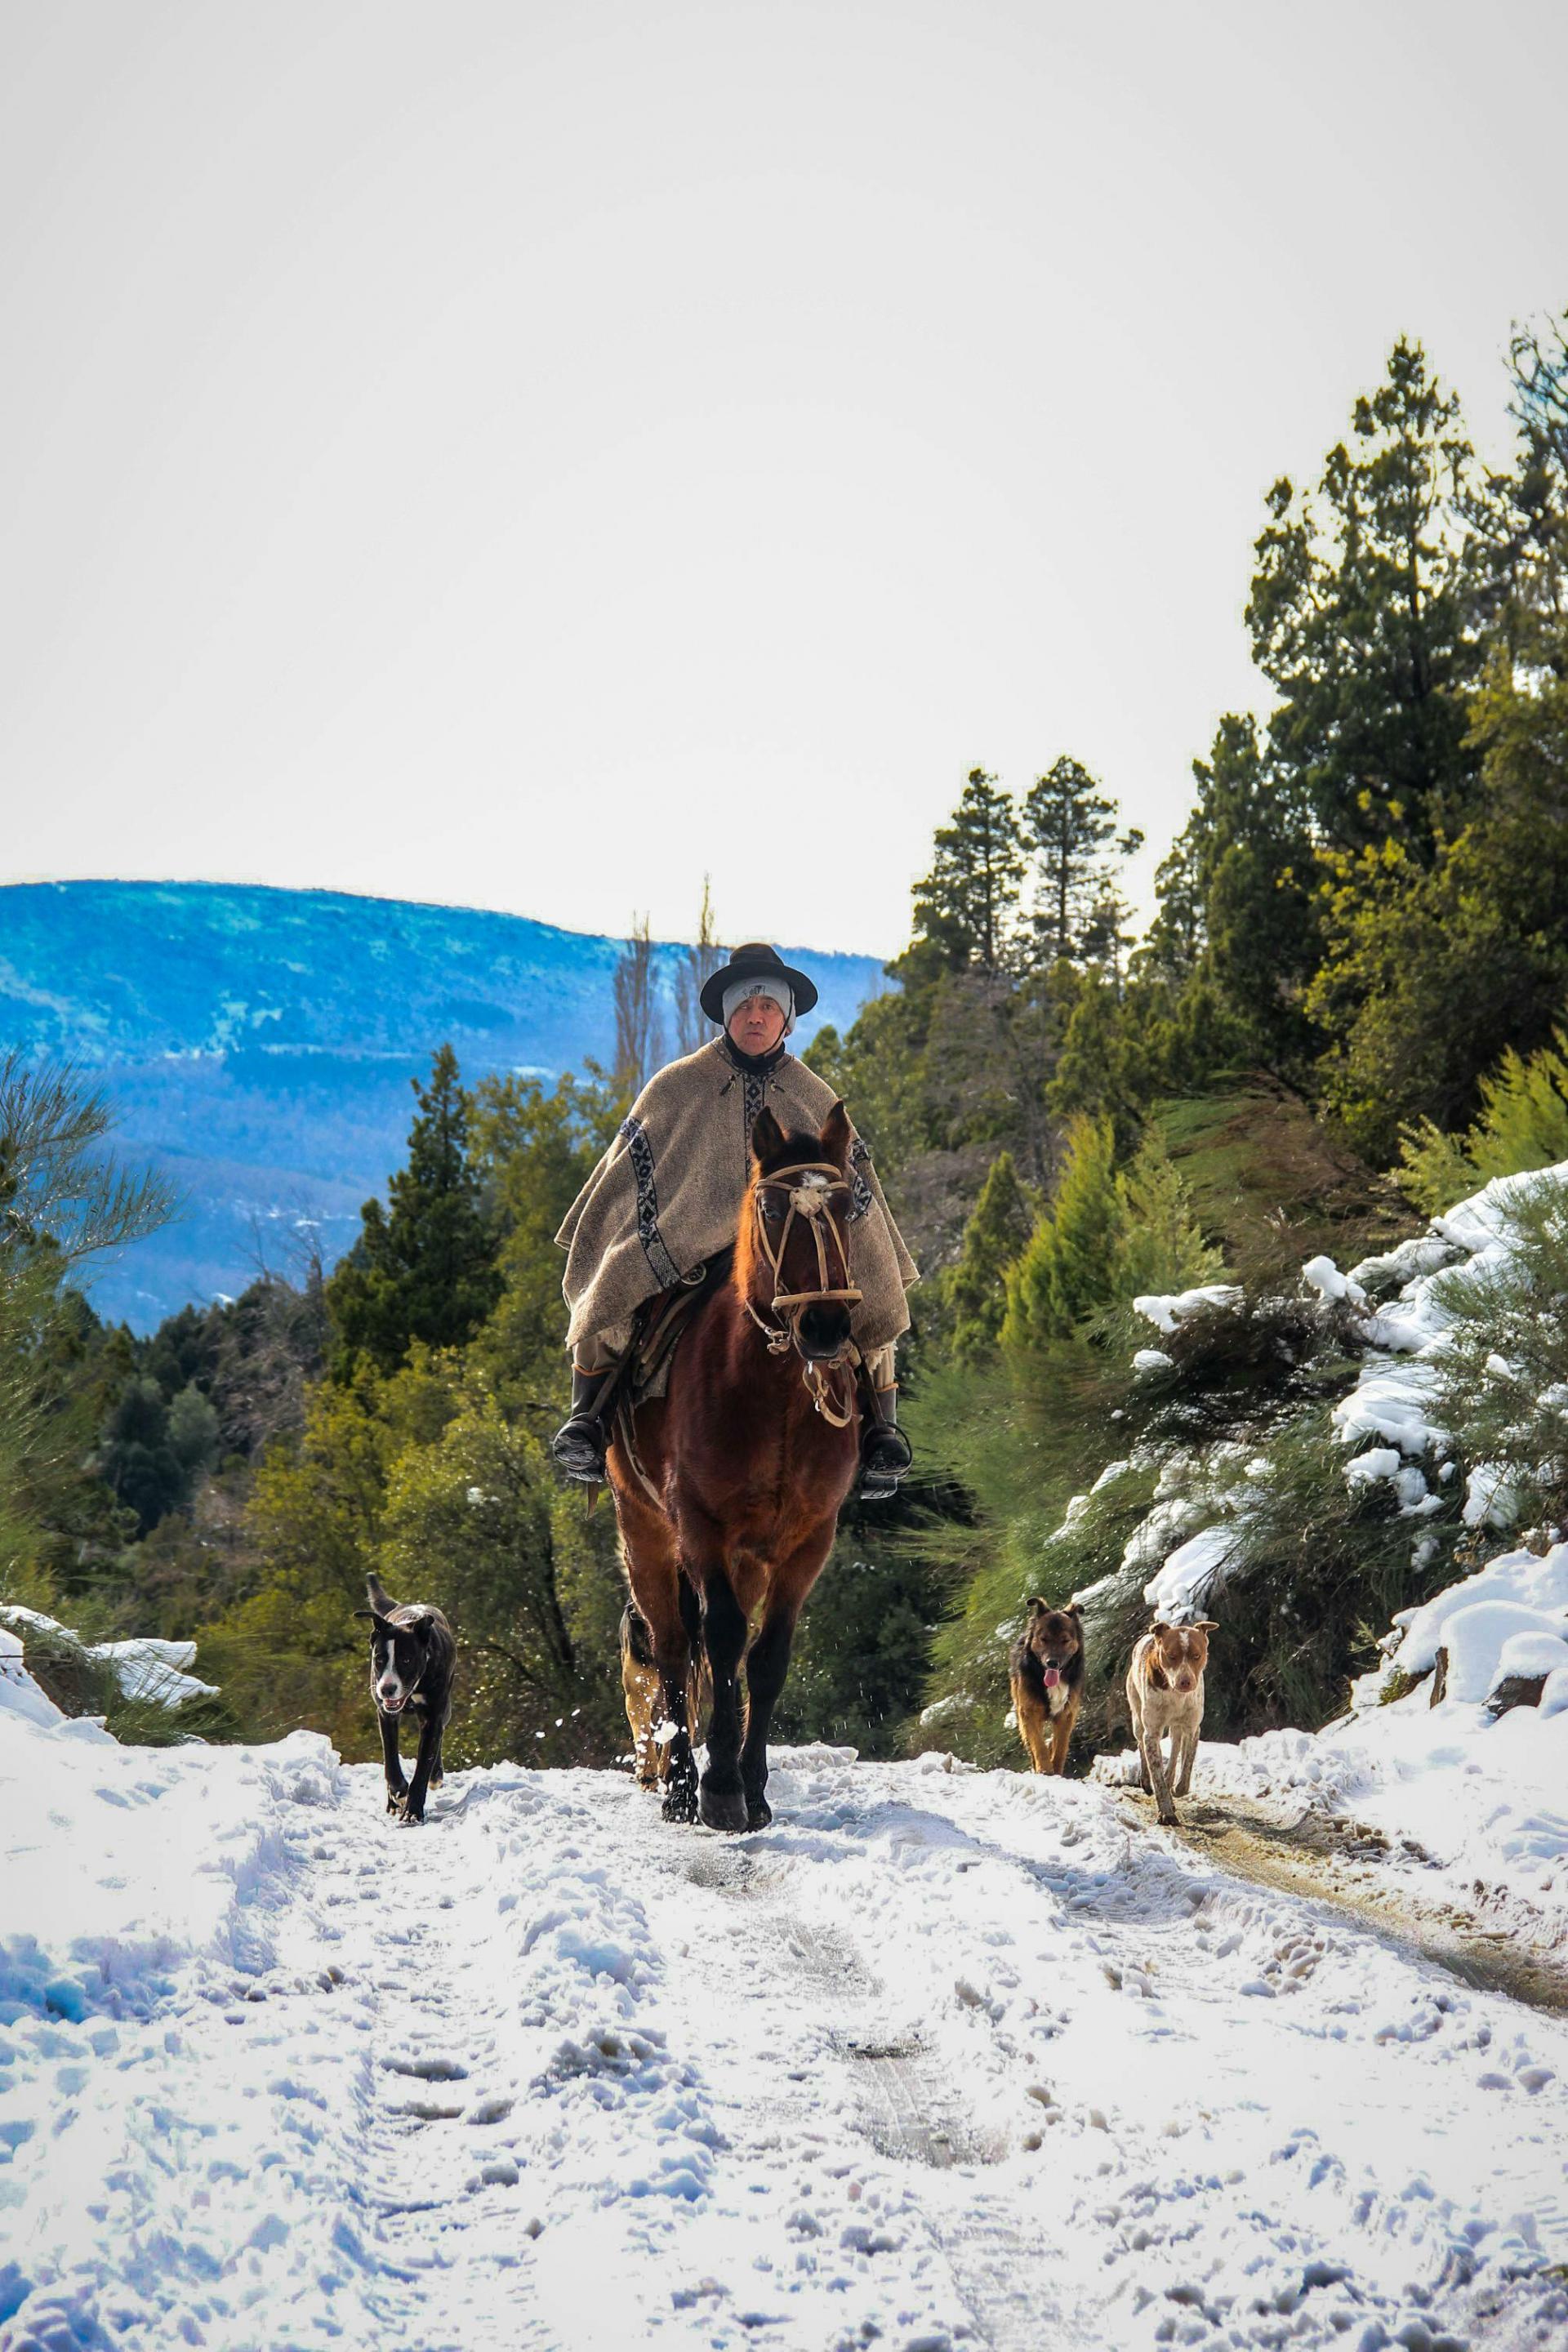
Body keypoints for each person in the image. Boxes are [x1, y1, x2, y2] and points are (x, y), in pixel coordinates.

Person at [551, 941, 918, 1494]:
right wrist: (635, 1240)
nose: (756, 1016)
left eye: (768, 1006)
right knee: (615, 1288)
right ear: (727, 1014)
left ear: (787, 1020)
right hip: (687, 1254)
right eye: (745, 1006)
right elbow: (629, 1177)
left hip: (790, 1259)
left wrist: (861, 1256)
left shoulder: (812, 1094)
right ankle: (587, 1421)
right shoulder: (677, 1086)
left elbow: (854, 1189)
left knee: (870, 1295)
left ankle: (881, 1434)